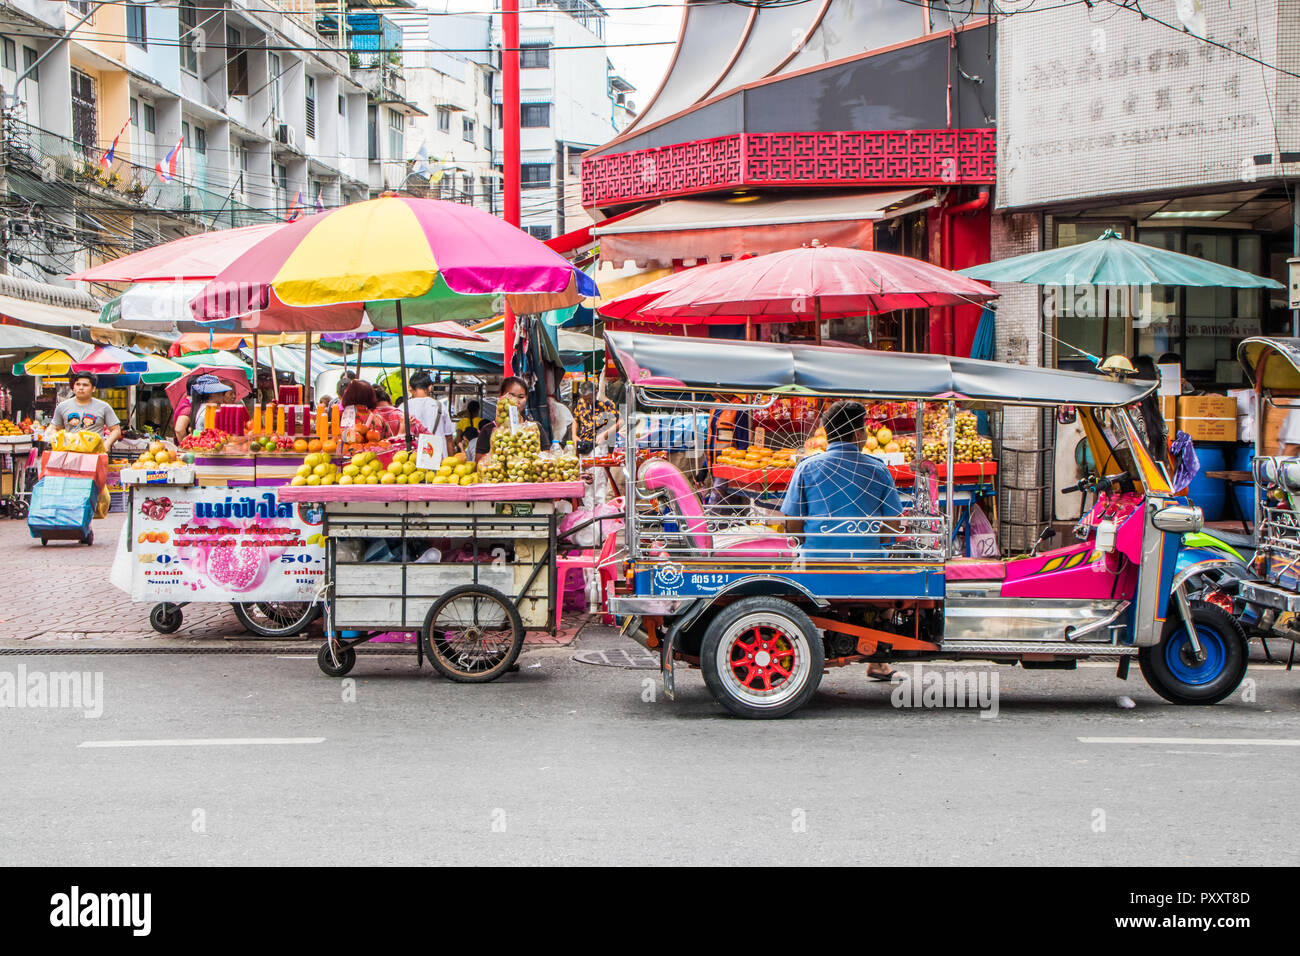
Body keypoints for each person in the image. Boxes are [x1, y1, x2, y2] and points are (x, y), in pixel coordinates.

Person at [779, 400, 902, 681]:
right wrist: (875, 545)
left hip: (815, 565)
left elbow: (792, 525)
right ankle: (880, 659)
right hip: (868, 567)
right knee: (895, 571)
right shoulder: (877, 469)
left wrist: (812, 543)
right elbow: (893, 527)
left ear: (828, 433)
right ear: (859, 434)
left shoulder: (807, 468)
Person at [52, 372, 121, 451]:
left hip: (95, 453)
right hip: (70, 453)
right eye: (78, 384)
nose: (81, 388)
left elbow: (116, 430)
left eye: (85, 385)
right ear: (73, 387)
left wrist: (107, 443)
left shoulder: (104, 407)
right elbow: (55, 428)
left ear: (93, 388)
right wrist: (56, 442)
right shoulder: (62, 406)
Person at [475, 376, 531, 461]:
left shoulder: (533, 429)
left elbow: (546, 460)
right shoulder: (488, 430)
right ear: (501, 396)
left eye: (521, 397)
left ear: (526, 398)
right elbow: (478, 464)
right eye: (511, 395)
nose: (516, 401)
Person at [405, 370, 455, 455]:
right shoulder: (440, 406)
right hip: (439, 458)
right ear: (430, 387)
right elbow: (449, 438)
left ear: (410, 388)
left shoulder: (404, 407)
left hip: (412, 460)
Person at [172, 374, 233, 439]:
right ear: (213, 394)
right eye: (222, 393)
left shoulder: (200, 408)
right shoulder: (207, 411)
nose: (223, 396)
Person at [572, 380, 620, 455]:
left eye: (590, 398)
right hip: (583, 444)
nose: (587, 401)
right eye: (585, 399)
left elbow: (620, 422)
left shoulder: (606, 404)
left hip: (600, 445)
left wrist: (605, 434)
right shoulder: (581, 402)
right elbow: (575, 420)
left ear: (596, 392)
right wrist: (574, 435)